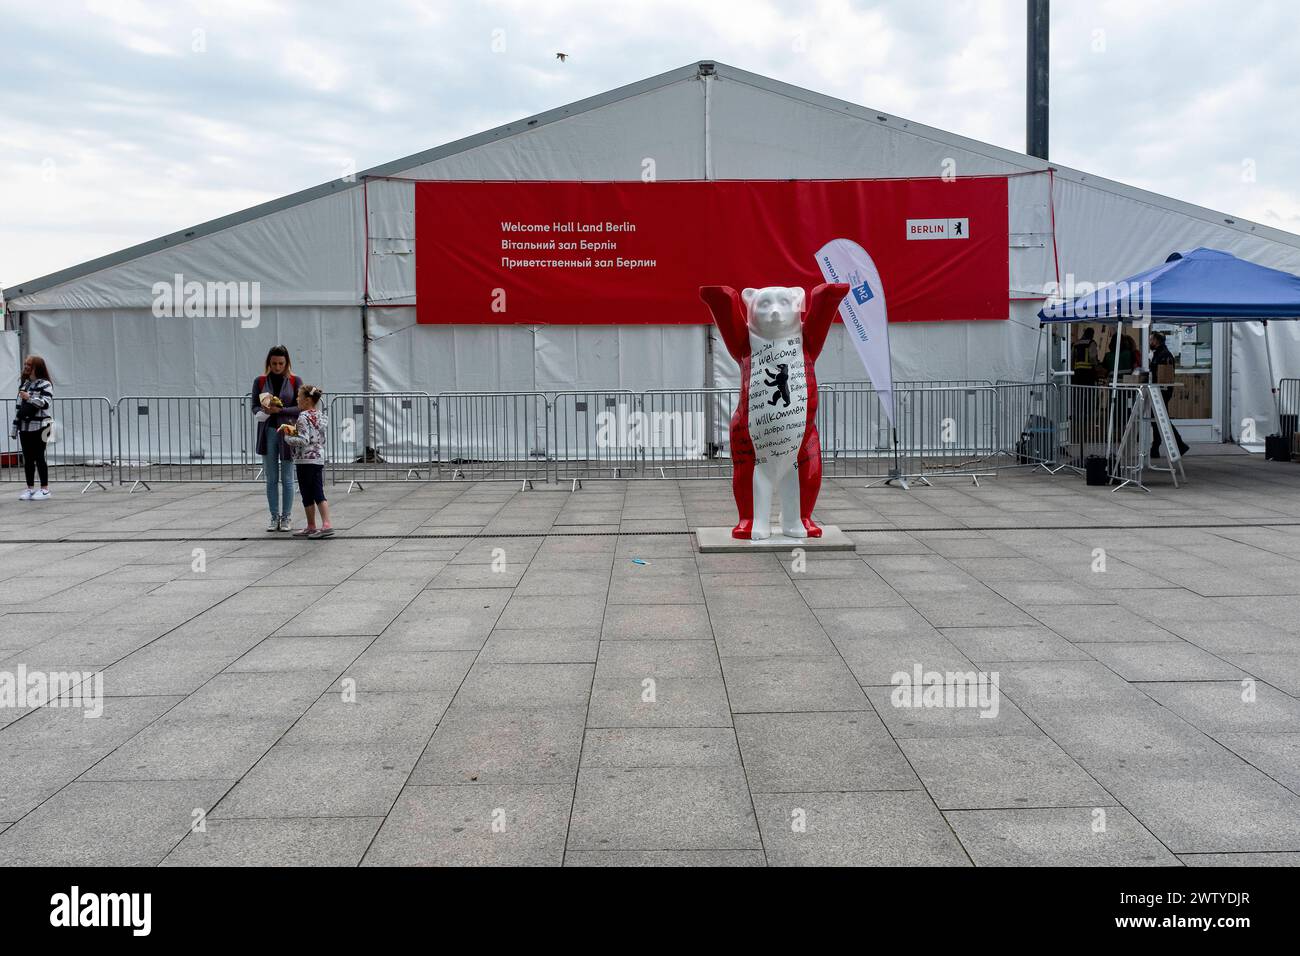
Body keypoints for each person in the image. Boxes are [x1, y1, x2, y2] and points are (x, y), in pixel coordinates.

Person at [251, 346, 302, 531]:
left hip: (288, 432)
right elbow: (254, 406)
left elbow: (300, 407)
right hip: (268, 431)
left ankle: (287, 517)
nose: (277, 367)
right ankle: (274, 517)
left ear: (287, 363)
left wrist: (280, 410)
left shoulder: (295, 380)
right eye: (274, 364)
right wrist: (263, 411)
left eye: (281, 363)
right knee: (271, 477)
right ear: (269, 363)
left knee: (287, 477)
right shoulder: (260, 381)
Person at [281, 384, 334, 538]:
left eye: (299, 396)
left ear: (307, 400)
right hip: (318, 457)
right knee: (315, 490)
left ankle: (322, 525)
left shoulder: (303, 417)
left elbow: (303, 440)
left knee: (310, 492)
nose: (297, 399)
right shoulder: (319, 415)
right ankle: (315, 525)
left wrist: (288, 437)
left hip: (305, 459)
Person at [10, 355, 54, 500]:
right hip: (25, 426)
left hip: (41, 425)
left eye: (29, 364)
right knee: (28, 458)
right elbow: (20, 407)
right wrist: (15, 427)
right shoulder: (25, 384)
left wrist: (29, 397)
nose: (26, 367)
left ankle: (45, 489)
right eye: (25, 364)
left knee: (39, 456)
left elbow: (45, 403)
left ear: (37, 367)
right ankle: (30, 488)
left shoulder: (45, 384)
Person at [1148, 331, 1190, 458]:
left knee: (1161, 420)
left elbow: (1164, 375)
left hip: (1162, 391)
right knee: (1157, 420)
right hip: (1158, 390)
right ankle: (1156, 448)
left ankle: (1179, 444)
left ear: (1157, 341)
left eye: (1151, 340)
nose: (1150, 342)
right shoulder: (1159, 354)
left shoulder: (1164, 355)